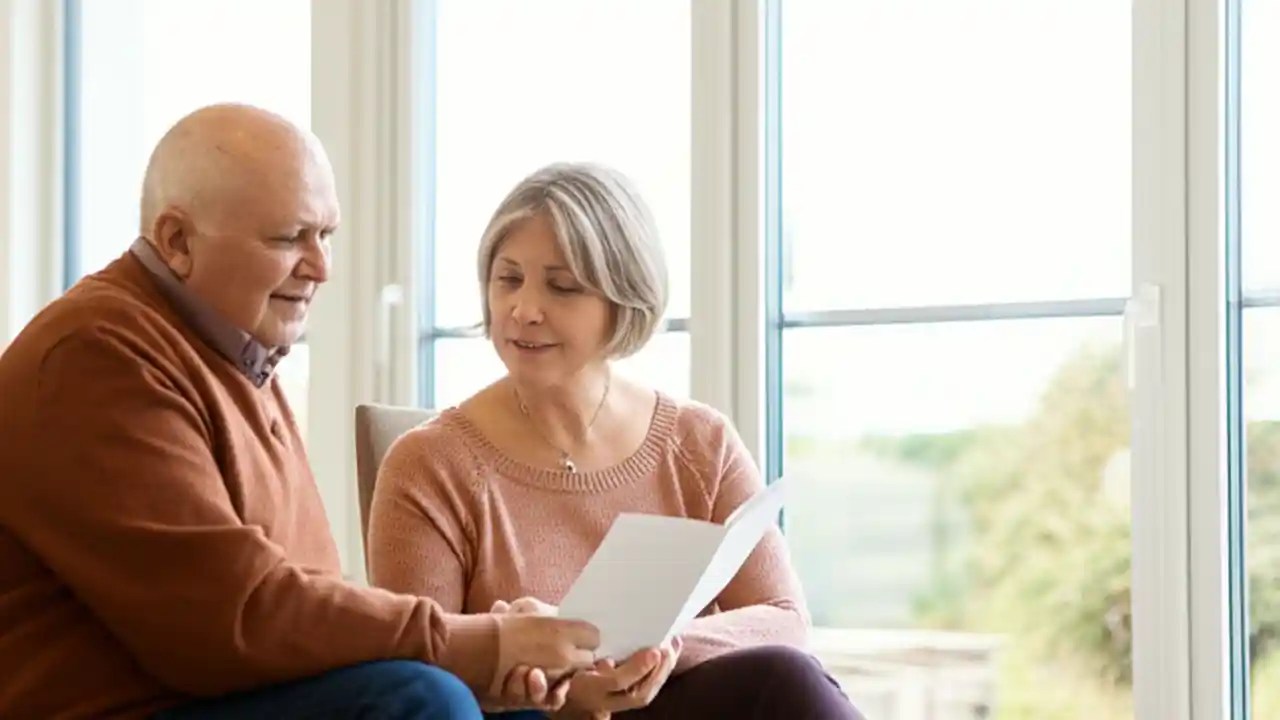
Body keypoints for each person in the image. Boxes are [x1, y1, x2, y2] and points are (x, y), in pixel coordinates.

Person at [0, 104, 600, 720]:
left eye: (326, 236)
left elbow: (298, 604)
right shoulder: (96, 356)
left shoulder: (232, 349)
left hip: (222, 695)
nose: (321, 268)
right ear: (177, 241)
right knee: (422, 699)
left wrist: (490, 662)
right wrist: (479, 644)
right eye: (288, 238)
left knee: (523, 714)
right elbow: (234, 617)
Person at [367, 163, 865, 719]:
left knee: (786, 678)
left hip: (673, 700)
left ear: (624, 300)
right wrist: (549, 681)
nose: (523, 310)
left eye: (562, 287)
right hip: (526, 716)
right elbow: (415, 671)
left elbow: (782, 617)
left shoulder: (699, 443)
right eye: (508, 279)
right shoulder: (428, 463)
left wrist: (653, 653)